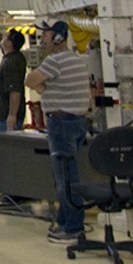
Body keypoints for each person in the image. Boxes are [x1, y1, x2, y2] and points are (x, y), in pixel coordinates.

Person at [24, 20, 90, 244]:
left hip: (61, 125)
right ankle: (65, 220)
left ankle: (72, 226)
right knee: (69, 175)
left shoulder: (55, 61)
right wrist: (46, 87)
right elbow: (42, 85)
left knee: (65, 179)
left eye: (46, 36)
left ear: (59, 38)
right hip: (77, 122)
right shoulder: (76, 60)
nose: (42, 40)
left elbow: (30, 80)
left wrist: (43, 86)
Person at [0, 30, 27, 132]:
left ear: (9, 43)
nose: (2, 36)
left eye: (4, 36)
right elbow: (1, 45)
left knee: (8, 146)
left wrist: (12, 115)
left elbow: (14, 91)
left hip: (6, 117)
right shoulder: (14, 57)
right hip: (5, 115)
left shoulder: (11, 63)